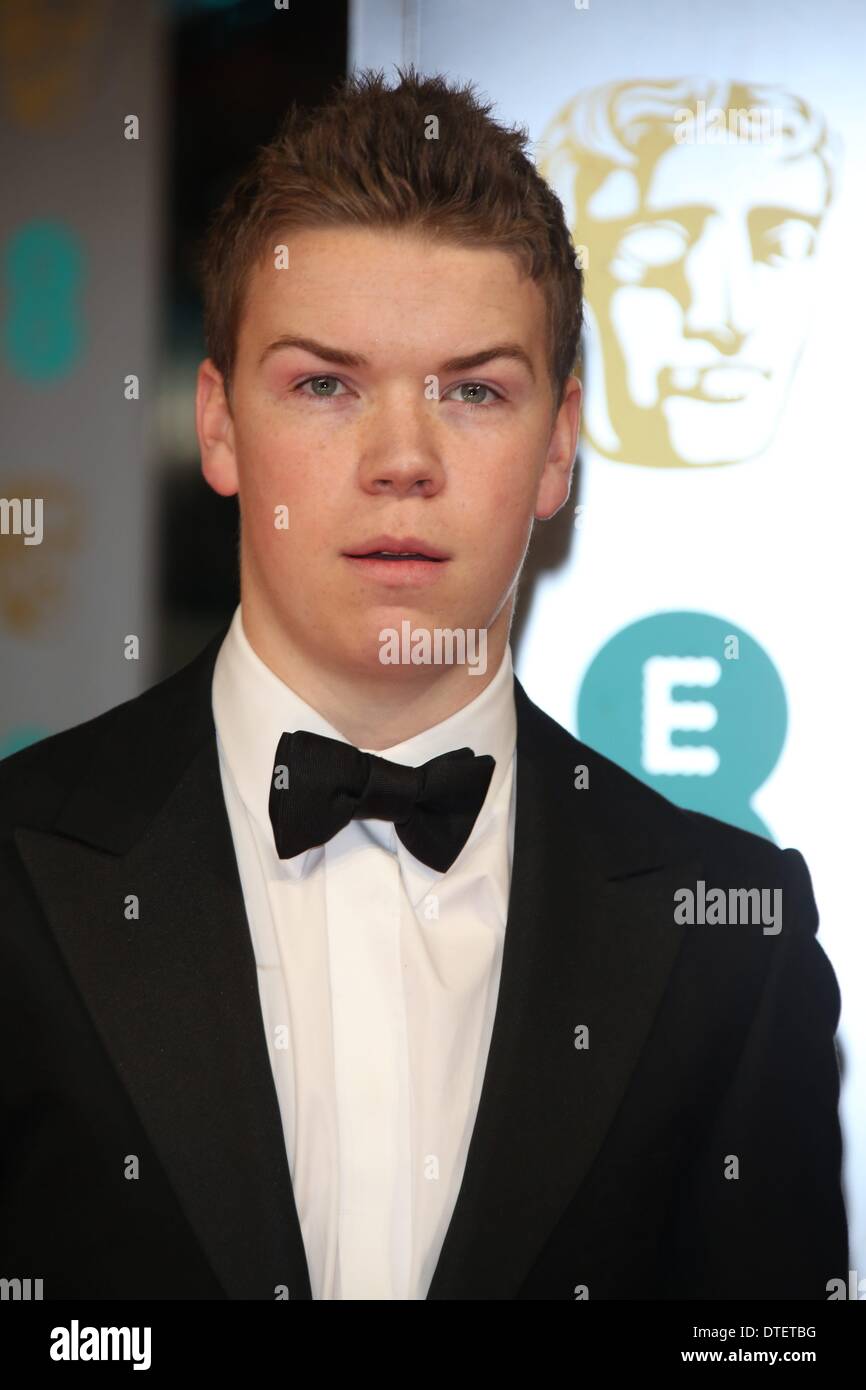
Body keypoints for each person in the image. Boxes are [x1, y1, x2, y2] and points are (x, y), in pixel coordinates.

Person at [0, 67, 847, 1301]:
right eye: (325, 385)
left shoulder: (732, 935)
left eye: (472, 390)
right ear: (220, 424)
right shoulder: (17, 873)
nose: (402, 459)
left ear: (558, 445)